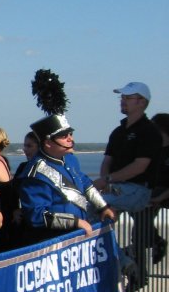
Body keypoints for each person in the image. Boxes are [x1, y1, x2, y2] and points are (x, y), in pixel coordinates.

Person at [18, 70, 115, 245]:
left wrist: (103, 206)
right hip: (53, 243)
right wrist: (75, 222)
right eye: (64, 136)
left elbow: (84, 183)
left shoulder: (70, 160)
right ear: (48, 143)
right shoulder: (34, 174)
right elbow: (37, 215)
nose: (70, 139)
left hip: (77, 239)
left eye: (70, 134)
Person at [93, 82, 162, 212]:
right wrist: (106, 181)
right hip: (117, 187)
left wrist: (107, 179)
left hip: (137, 189)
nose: (123, 101)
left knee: (93, 206)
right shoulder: (118, 132)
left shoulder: (149, 131)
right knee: (81, 203)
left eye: (128, 98)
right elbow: (107, 160)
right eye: (122, 97)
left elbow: (140, 166)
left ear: (142, 102)